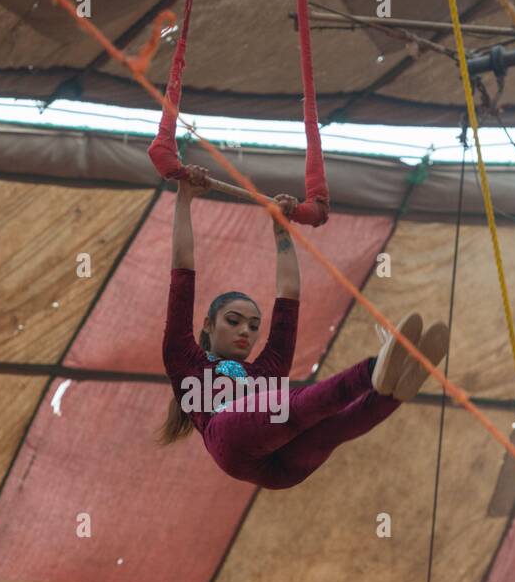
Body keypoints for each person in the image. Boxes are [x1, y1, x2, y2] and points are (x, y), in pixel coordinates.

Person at [158, 165, 449, 489]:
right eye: (234, 320)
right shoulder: (185, 361)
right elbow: (182, 269)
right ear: (208, 324)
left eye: (254, 326)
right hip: (231, 441)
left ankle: (391, 393)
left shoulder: (267, 369)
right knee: (290, 406)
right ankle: (372, 369)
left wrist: (280, 230)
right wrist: (184, 200)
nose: (246, 332)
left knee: (331, 430)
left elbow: (289, 295)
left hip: (284, 466)